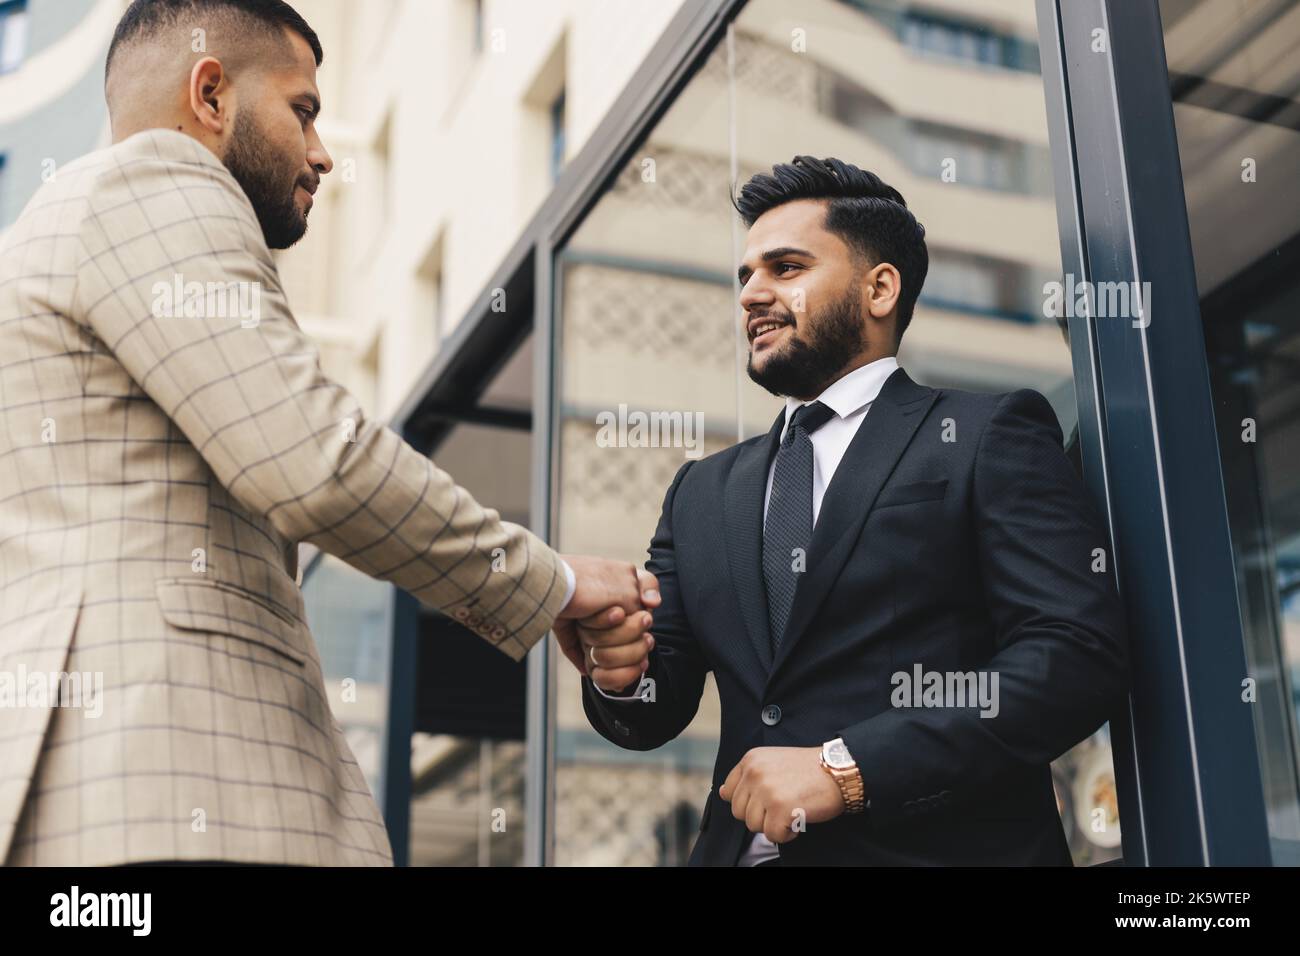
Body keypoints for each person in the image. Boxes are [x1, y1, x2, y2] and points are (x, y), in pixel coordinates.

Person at [0, 0, 653, 866]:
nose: (322, 151)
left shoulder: (43, 235)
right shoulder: (156, 179)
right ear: (210, 94)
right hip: (172, 783)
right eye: (302, 110)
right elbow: (315, 460)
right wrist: (556, 581)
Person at [577, 156, 1129, 865]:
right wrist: (617, 670)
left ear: (879, 288)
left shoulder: (985, 435)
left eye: (786, 267)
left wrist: (849, 768)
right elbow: (654, 709)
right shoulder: (700, 493)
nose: (752, 293)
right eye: (745, 275)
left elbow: (1076, 656)